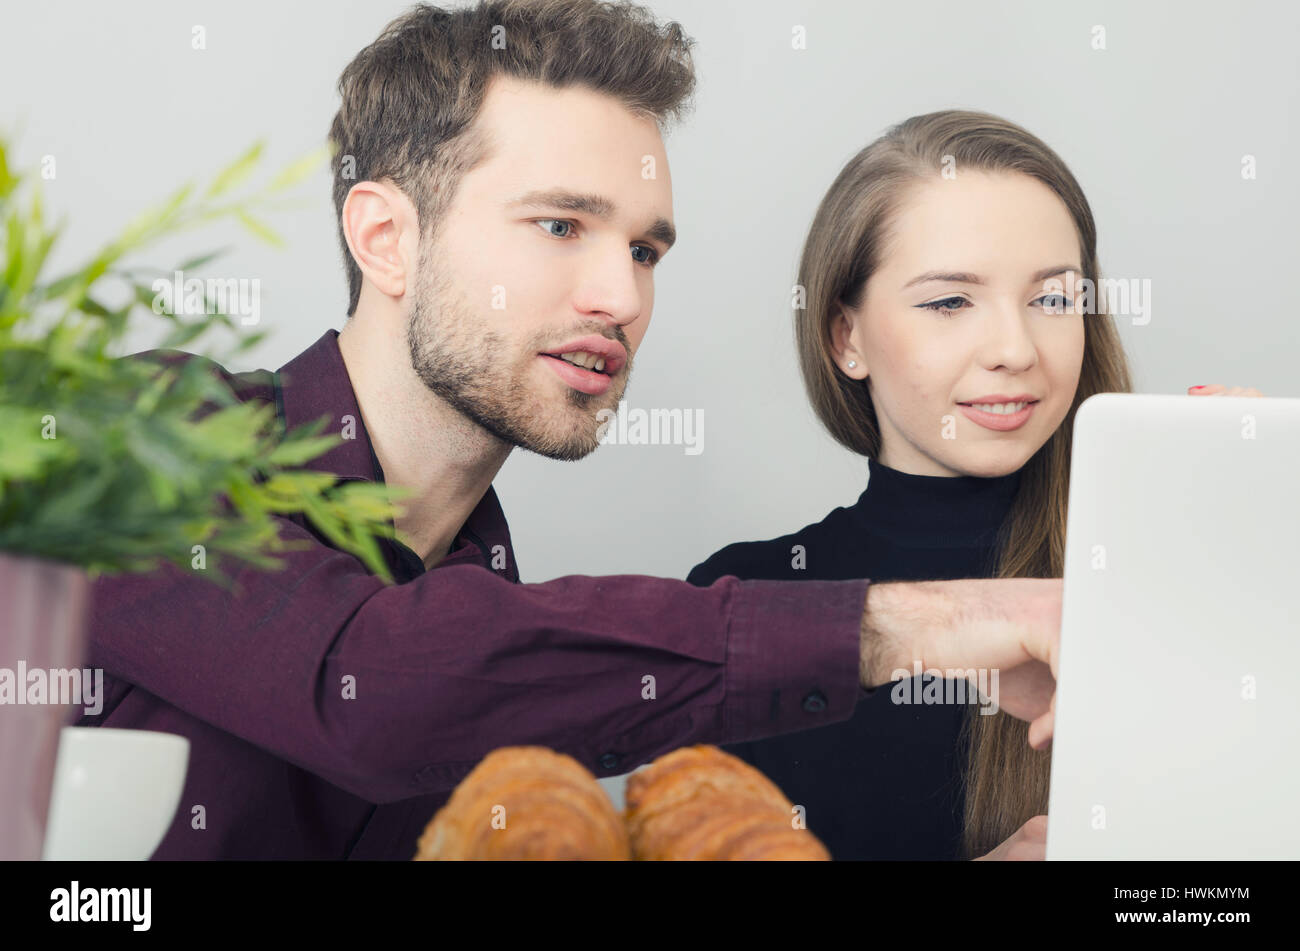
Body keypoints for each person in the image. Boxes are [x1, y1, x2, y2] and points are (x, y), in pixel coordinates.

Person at [80, 2, 1061, 860]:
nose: (621, 295)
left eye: (644, 249)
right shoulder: (131, 442)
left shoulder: (509, 642)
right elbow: (366, 681)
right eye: (560, 226)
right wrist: (909, 626)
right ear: (387, 238)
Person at [688, 109, 1263, 861]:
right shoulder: (742, 604)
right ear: (846, 336)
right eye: (951, 301)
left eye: (1054, 298)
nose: (1016, 348)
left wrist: (1257, 565)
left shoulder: (1173, 574)